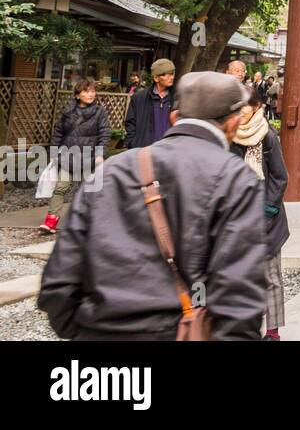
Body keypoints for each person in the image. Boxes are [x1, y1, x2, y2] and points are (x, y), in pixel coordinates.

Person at [38, 71, 268, 340]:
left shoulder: (113, 169)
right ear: (233, 124)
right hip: (175, 331)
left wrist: (81, 330)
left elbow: (59, 281)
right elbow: (238, 296)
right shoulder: (236, 179)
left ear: (174, 117)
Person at [230, 89, 290, 340]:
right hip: (236, 216)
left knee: (270, 276)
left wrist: (267, 212)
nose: (241, 111)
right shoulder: (229, 135)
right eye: (237, 107)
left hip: (267, 216)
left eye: (245, 106)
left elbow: (279, 177)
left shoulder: (267, 136)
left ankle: (273, 331)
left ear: (256, 106)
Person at [40, 79, 110, 234]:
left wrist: (100, 154)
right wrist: (53, 153)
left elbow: (105, 134)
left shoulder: (100, 112)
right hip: (68, 156)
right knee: (61, 187)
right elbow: (58, 132)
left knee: (90, 189)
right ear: (78, 95)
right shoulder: (68, 111)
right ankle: (51, 220)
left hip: (89, 157)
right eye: (86, 91)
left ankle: (89, 222)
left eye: (92, 91)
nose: (90, 94)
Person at [124, 58, 176, 149]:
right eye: (166, 75)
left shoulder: (177, 98)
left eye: (172, 74)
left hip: (170, 151)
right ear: (156, 78)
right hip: (145, 152)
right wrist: (133, 143)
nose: (171, 77)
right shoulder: (139, 98)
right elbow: (130, 123)